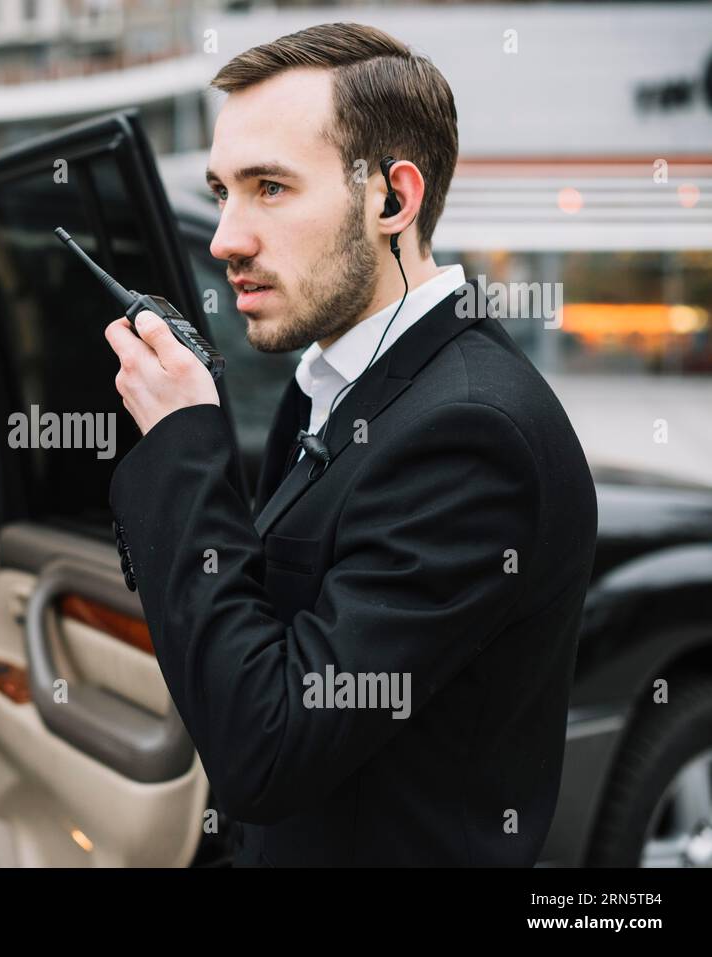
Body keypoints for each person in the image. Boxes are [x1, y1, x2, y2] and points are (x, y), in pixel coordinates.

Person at [103, 23, 597, 865]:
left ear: (393, 201)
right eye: (223, 190)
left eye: (270, 188)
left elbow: (268, 747)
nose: (225, 238)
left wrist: (185, 447)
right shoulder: (334, 382)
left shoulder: (471, 434)